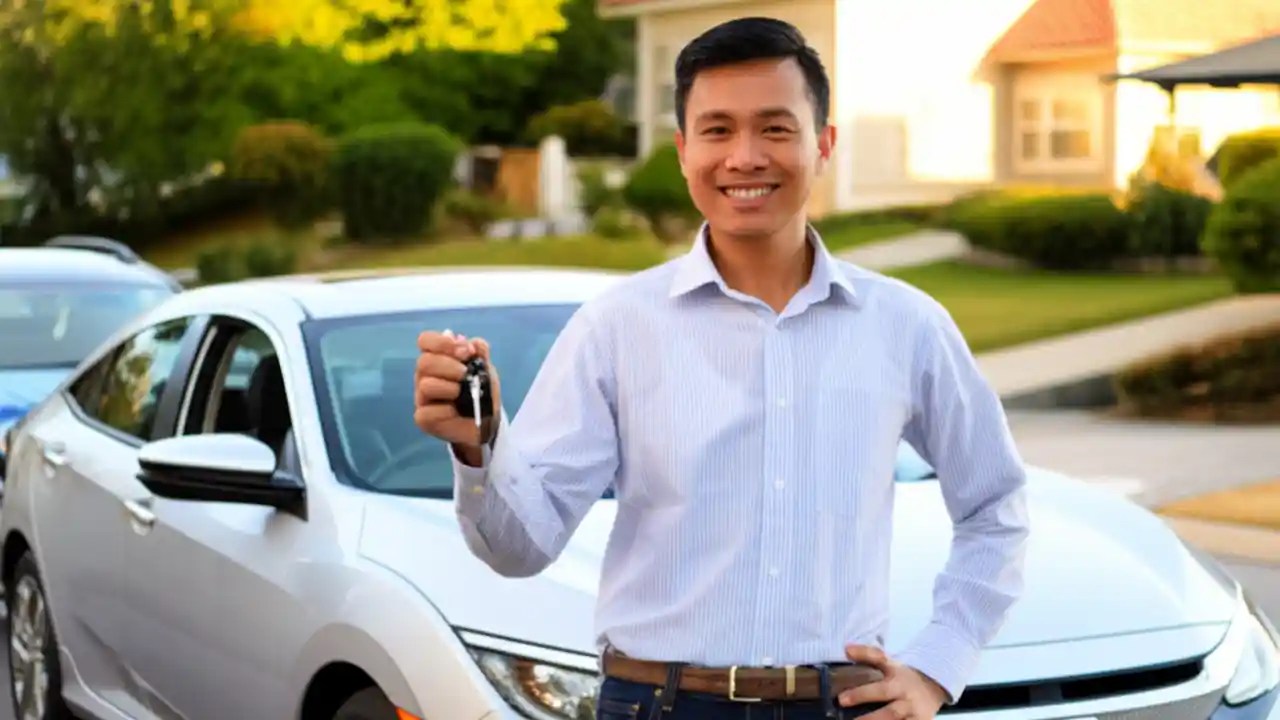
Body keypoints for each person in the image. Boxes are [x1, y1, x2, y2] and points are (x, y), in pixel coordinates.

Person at [414, 16, 1030, 720]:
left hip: (839, 705)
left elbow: (996, 505)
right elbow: (521, 546)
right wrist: (478, 444)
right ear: (682, 151)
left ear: (823, 144)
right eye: (716, 130)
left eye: (774, 128)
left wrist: (937, 667)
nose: (744, 157)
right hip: (657, 705)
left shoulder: (907, 325)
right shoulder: (616, 327)